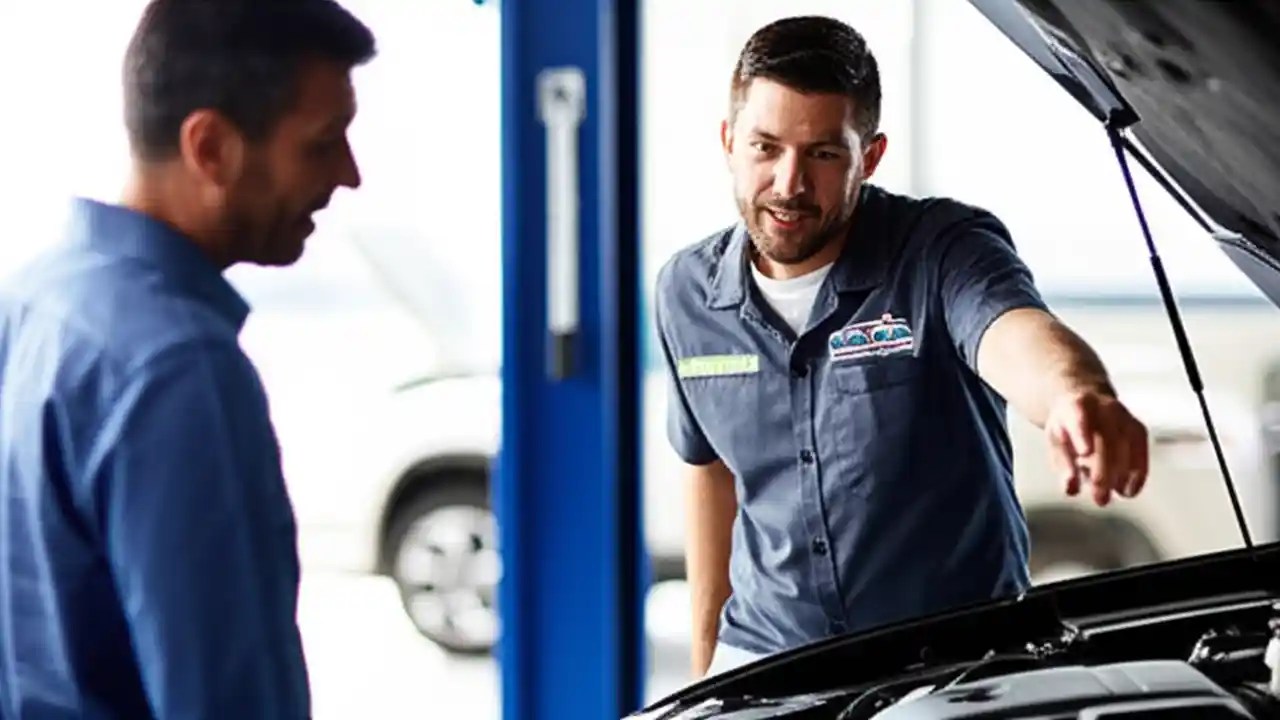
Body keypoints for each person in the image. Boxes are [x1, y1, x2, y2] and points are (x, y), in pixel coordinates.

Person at [653, 15, 1150, 679]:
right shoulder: (685, 292)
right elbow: (709, 471)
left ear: (871, 156)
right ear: (728, 141)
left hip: (951, 664)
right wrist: (709, 668)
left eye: (824, 154)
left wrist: (1075, 395)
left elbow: (1012, 329)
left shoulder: (940, 249)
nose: (790, 184)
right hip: (768, 659)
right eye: (765, 148)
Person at [0, 1, 375, 717]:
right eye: (324, 142)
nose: (350, 174)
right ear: (211, 148)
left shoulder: (31, 301)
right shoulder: (177, 368)